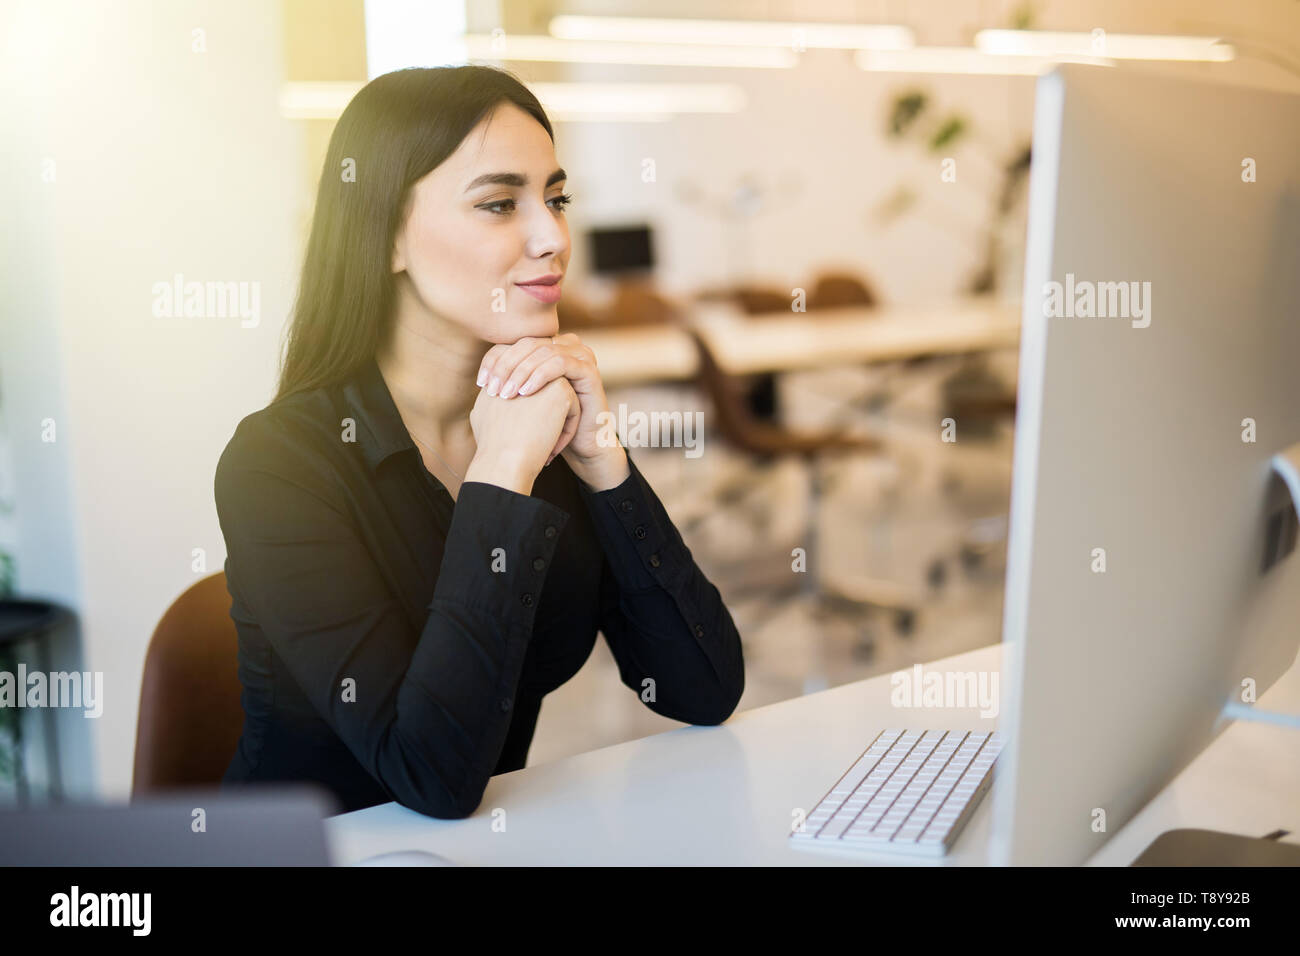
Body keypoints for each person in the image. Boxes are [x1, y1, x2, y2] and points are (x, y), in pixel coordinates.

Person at [214, 65, 745, 819]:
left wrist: (602, 461)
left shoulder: (545, 427)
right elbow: (430, 775)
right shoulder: (279, 466)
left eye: (556, 199)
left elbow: (704, 688)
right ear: (386, 236)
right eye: (500, 204)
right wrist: (501, 472)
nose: (552, 237)